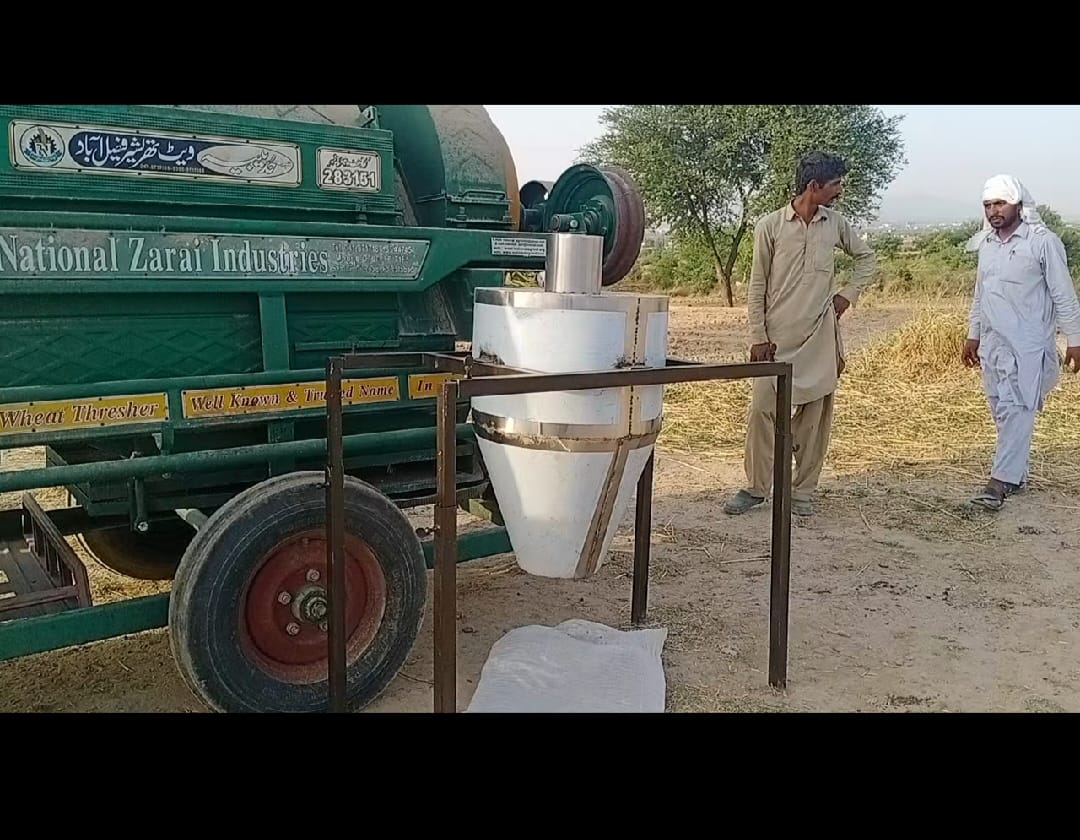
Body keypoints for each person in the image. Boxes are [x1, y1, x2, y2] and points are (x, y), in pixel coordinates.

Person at [724, 151, 876, 517]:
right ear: (814, 186)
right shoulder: (770, 226)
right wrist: (758, 335)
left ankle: (802, 492)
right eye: (835, 184)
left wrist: (847, 295)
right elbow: (757, 285)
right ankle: (756, 488)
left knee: (814, 418)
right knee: (761, 411)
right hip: (776, 339)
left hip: (819, 335)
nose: (840, 191)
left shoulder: (835, 223)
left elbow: (867, 259)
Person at [962, 174, 1080, 510]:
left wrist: (1075, 339)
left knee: (1018, 409)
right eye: (988, 205)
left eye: (1000, 203)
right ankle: (1017, 475)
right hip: (994, 345)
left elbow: (1063, 295)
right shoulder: (987, 245)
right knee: (1002, 409)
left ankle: (999, 483)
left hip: (1028, 345)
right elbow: (980, 295)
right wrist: (973, 335)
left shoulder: (1043, 242)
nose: (993, 211)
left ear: (1018, 204)